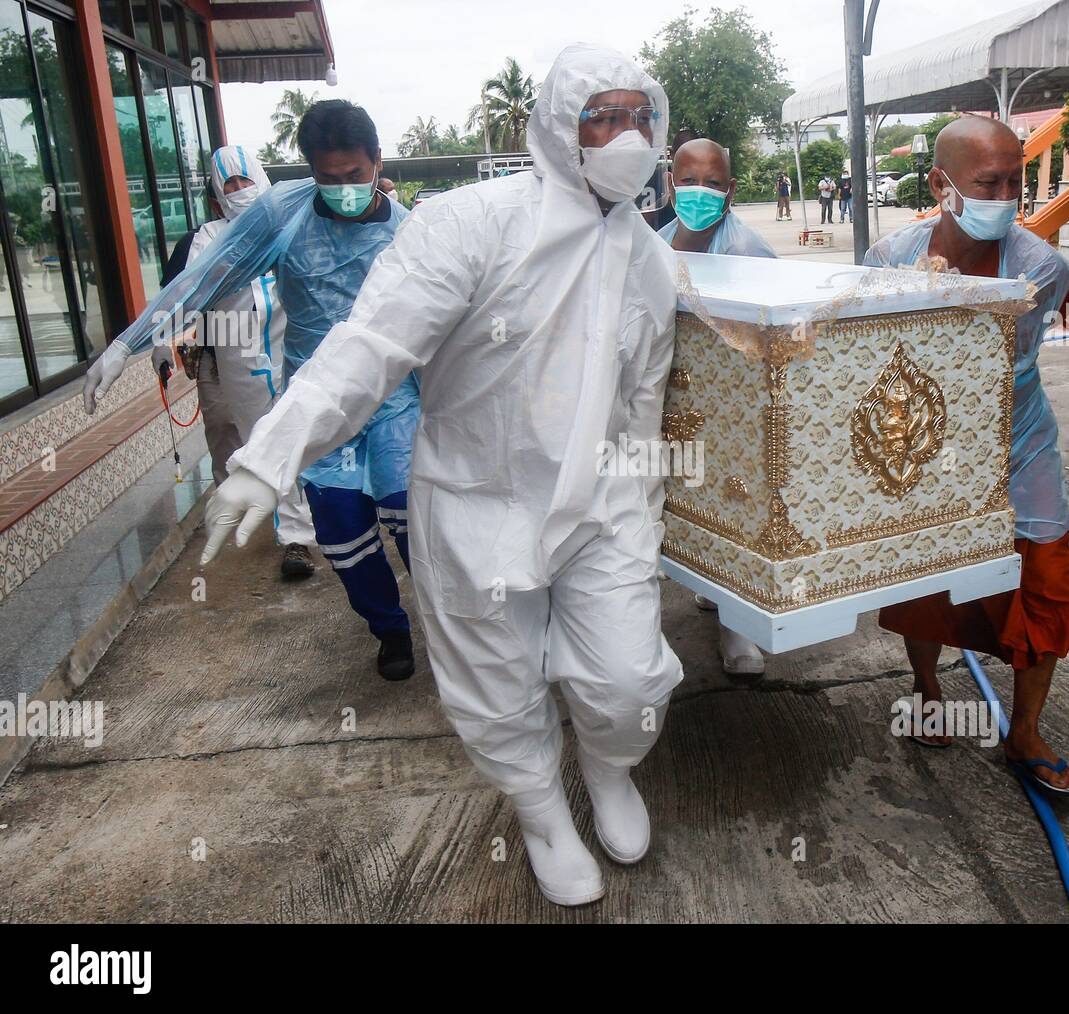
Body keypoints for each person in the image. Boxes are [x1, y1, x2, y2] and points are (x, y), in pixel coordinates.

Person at [201, 45, 682, 907]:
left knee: (626, 680)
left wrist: (644, 516)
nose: (626, 136)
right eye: (602, 116)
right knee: (497, 682)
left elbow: (642, 405)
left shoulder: (649, 260)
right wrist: (268, 461)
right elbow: (371, 345)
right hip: (480, 503)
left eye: (640, 116)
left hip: (603, 505)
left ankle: (610, 771)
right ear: (559, 126)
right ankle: (540, 810)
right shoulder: (473, 223)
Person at [83, 100, 422, 683]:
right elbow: (206, 275)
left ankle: (454, 623)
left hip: (395, 398)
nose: (342, 188)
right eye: (328, 177)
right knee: (340, 527)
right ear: (309, 170)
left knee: (413, 511)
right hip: (318, 404)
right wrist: (128, 343)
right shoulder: (282, 214)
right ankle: (389, 627)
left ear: (377, 163)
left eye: (354, 176)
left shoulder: (413, 231)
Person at [862, 115, 1069, 795]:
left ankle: (1024, 733)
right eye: (986, 182)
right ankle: (929, 687)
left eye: (1014, 181)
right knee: (926, 580)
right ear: (941, 184)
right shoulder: (889, 261)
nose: (1005, 196)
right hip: (931, 448)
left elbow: (1006, 364)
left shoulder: (1042, 268)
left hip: (1020, 444)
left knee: (1047, 580)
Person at [158, 146, 316, 580]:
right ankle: (263, 518)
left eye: (247, 181)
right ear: (217, 196)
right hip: (234, 360)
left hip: (294, 351)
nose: (241, 191)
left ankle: (298, 535)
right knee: (249, 440)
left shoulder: (293, 223)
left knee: (297, 440)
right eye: (231, 185)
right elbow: (181, 297)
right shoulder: (207, 240)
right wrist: (157, 341)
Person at [657, 138, 774, 677]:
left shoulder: (747, 252)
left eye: (712, 183)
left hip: (734, 408)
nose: (699, 193)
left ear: (729, 190)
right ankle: (703, 585)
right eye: (689, 181)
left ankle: (738, 630)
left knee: (735, 507)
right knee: (683, 505)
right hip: (670, 401)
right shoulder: (652, 247)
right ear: (670, 183)